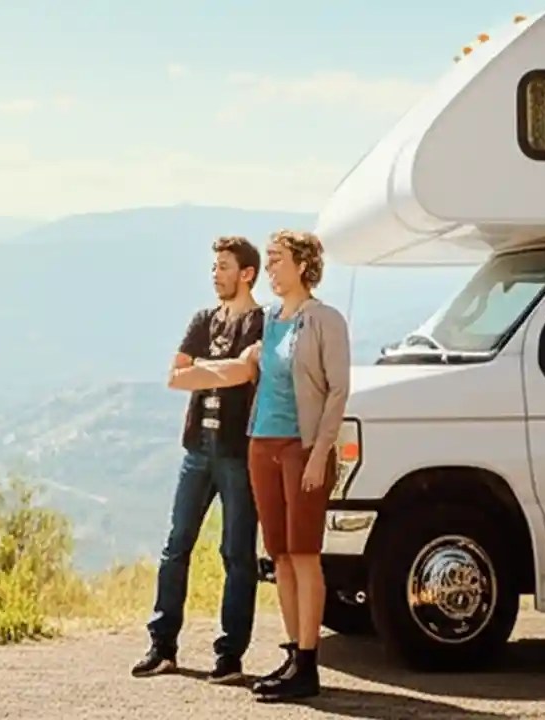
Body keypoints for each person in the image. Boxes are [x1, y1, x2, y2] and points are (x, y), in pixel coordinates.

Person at [168, 229, 350, 702]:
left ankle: (309, 663)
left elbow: (337, 392)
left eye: (277, 261)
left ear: (303, 265)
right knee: (281, 556)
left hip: (300, 447)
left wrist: (318, 453)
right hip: (261, 446)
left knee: (306, 555)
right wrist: (188, 376)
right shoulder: (268, 320)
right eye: (267, 261)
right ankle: (293, 655)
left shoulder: (325, 320)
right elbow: (243, 369)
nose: (269, 270)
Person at [131, 236, 265, 684]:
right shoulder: (203, 319)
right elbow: (174, 377)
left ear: (246, 273)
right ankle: (162, 646)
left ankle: (229, 657)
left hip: (237, 452)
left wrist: (205, 370)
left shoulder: (261, 322)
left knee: (237, 554)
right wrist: (222, 368)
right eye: (214, 266)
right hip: (197, 449)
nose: (215, 273)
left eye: (224, 266)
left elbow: (246, 372)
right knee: (176, 546)